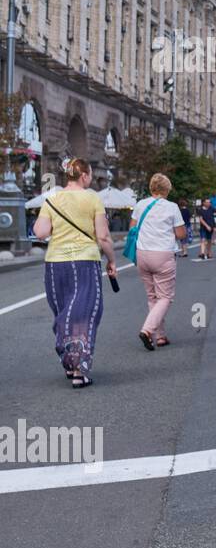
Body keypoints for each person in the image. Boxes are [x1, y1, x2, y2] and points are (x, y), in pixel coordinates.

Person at [31, 158, 117, 389]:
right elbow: (103, 237)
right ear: (84, 176)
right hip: (84, 262)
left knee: (63, 313)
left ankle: (69, 362)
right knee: (84, 314)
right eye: (89, 174)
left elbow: (39, 232)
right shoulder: (92, 198)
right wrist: (111, 259)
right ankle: (79, 369)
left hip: (55, 264)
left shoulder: (53, 198)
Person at [129, 173, 187, 350]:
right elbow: (181, 234)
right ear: (167, 189)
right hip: (162, 254)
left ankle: (160, 336)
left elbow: (132, 228)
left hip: (142, 254)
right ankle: (147, 330)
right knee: (165, 297)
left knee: (152, 296)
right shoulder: (172, 207)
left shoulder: (140, 205)